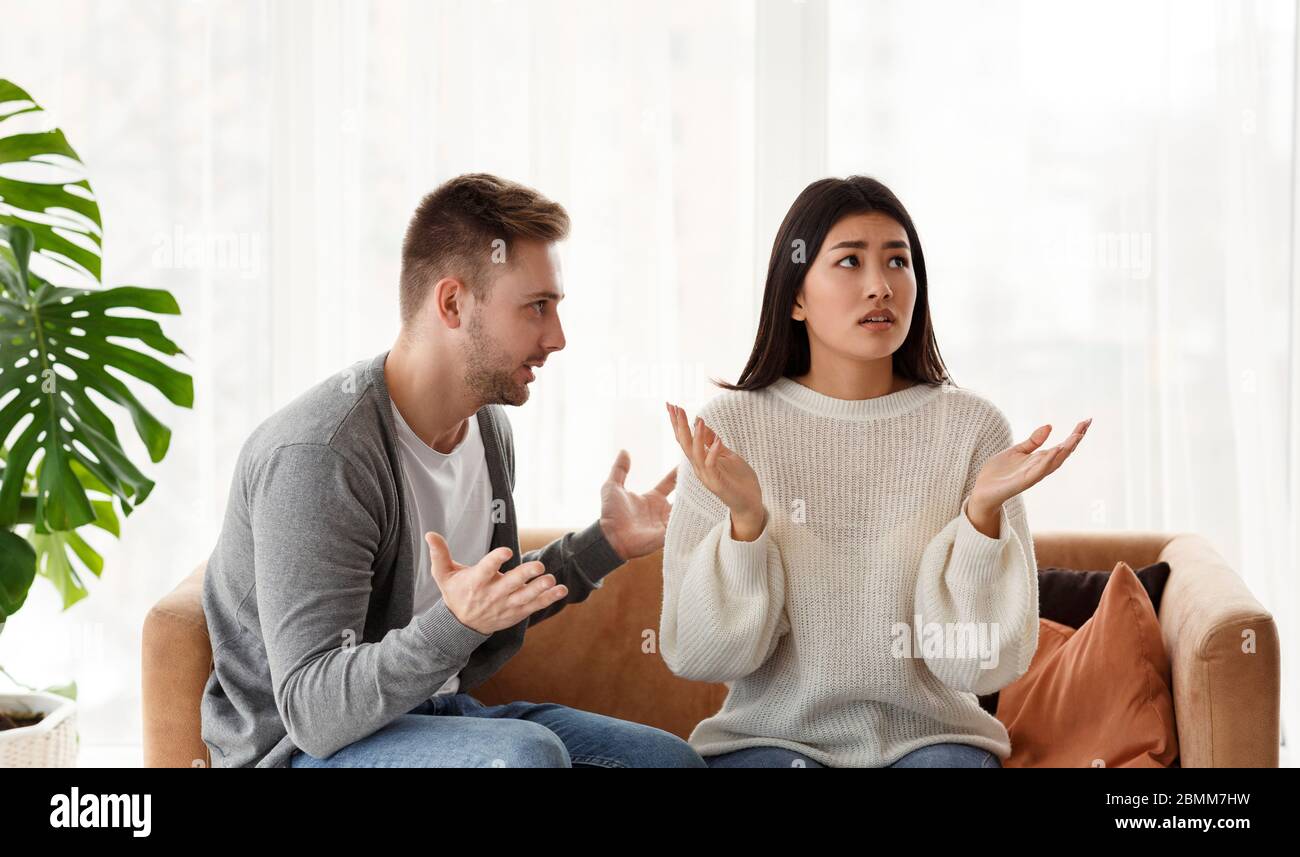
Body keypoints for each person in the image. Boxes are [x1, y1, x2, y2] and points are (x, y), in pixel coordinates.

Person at [201, 173, 705, 768]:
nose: (558, 337)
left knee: (666, 762)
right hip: (304, 751)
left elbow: (488, 599)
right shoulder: (323, 456)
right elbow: (313, 712)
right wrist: (453, 624)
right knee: (526, 760)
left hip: (437, 718)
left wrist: (605, 545)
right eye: (536, 308)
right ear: (452, 303)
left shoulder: (487, 430)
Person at [660, 175, 1091, 768]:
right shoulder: (730, 431)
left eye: (897, 262)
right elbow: (703, 655)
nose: (880, 286)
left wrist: (981, 519)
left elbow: (980, 664)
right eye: (849, 262)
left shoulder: (972, 428)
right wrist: (746, 525)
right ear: (796, 297)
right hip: (770, 741)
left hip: (936, 741)